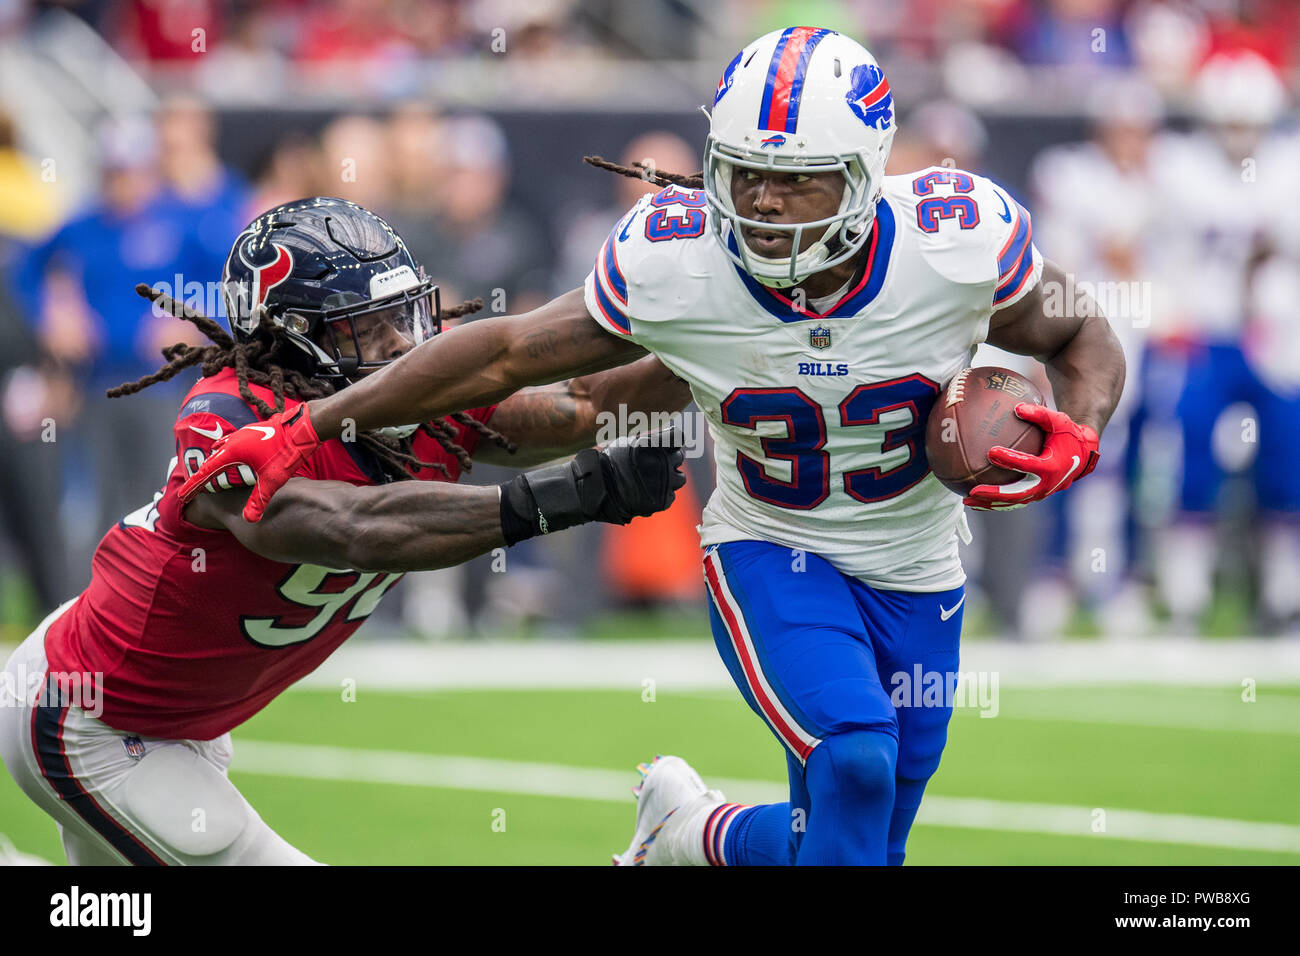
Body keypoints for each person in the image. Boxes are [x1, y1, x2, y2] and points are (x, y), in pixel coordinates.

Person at [183, 28, 1126, 866]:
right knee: (856, 759)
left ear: (861, 173)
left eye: (793, 179)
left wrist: (1079, 437)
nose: (760, 199)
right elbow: (508, 352)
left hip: (918, 563)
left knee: (862, 840)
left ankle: (692, 834)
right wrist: (312, 422)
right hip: (772, 547)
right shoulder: (681, 260)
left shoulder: (954, 238)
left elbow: (1084, 334)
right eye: (744, 169)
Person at [0, 196, 688, 865]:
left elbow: (581, 405)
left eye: (403, 317)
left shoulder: (418, 399)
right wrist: (564, 497)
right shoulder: (231, 421)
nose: (400, 347)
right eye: (367, 328)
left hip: (179, 719)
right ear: (291, 339)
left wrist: (725, 349)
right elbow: (351, 526)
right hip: (92, 717)